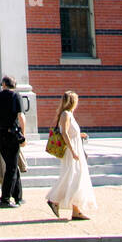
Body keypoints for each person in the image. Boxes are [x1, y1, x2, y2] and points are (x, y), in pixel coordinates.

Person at [45, 90, 97, 220]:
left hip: (74, 149)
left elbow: (70, 133)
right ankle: (54, 199)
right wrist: (73, 151)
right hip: (71, 151)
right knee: (71, 177)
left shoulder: (68, 114)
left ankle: (75, 209)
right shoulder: (66, 114)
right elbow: (65, 133)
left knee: (75, 178)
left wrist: (79, 135)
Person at [0, 75, 26, 208]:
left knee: (11, 165)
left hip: (0, 133)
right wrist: (23, 136)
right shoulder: (16, 96)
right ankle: (5, 199)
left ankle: (18, 196)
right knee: (12, 167)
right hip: (12, 134)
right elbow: (21, 116)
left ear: (3, 84)